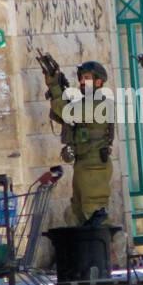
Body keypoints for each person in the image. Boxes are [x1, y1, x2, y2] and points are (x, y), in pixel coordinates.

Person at [44, 59, 114, 226]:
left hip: (95, 165)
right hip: (83, 164)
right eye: (81, 78)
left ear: (99, 82)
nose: (82, 82)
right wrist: (58, 90)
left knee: (95, 213)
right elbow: (60, 115)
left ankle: (112, 248)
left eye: (87, 78)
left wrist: (55, 88)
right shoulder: (85, 102)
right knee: (78, 213)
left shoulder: (100, 103)